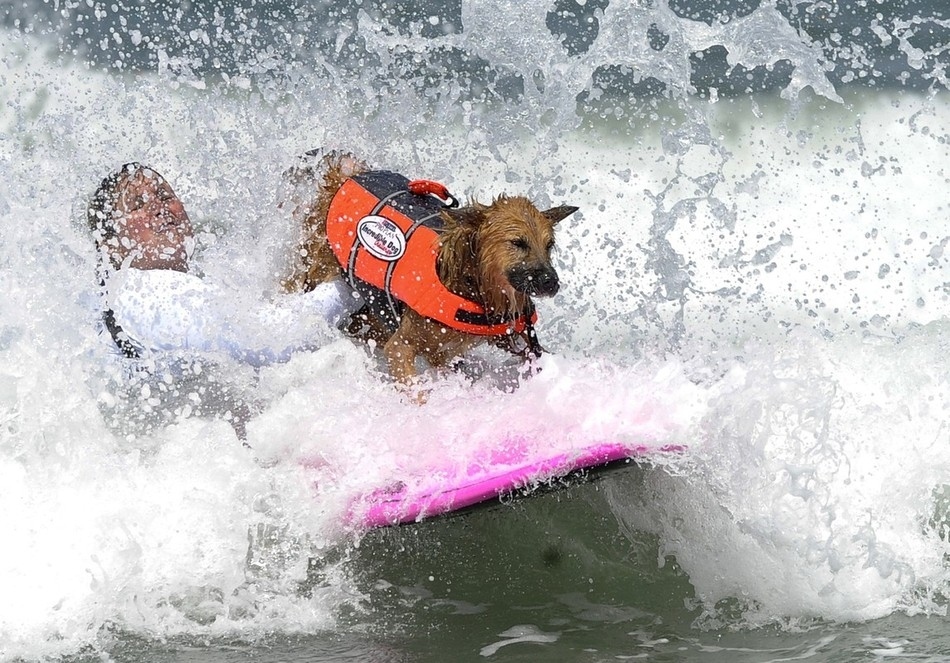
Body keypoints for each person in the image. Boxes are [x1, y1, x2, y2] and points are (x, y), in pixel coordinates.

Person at [88, 162, 361, 440]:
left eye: (165, 196)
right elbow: (270, 342)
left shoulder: (128, 297)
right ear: (111, 247)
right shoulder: (148, 294)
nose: (158, 206)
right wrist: (352, 280)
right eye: (138, 205)